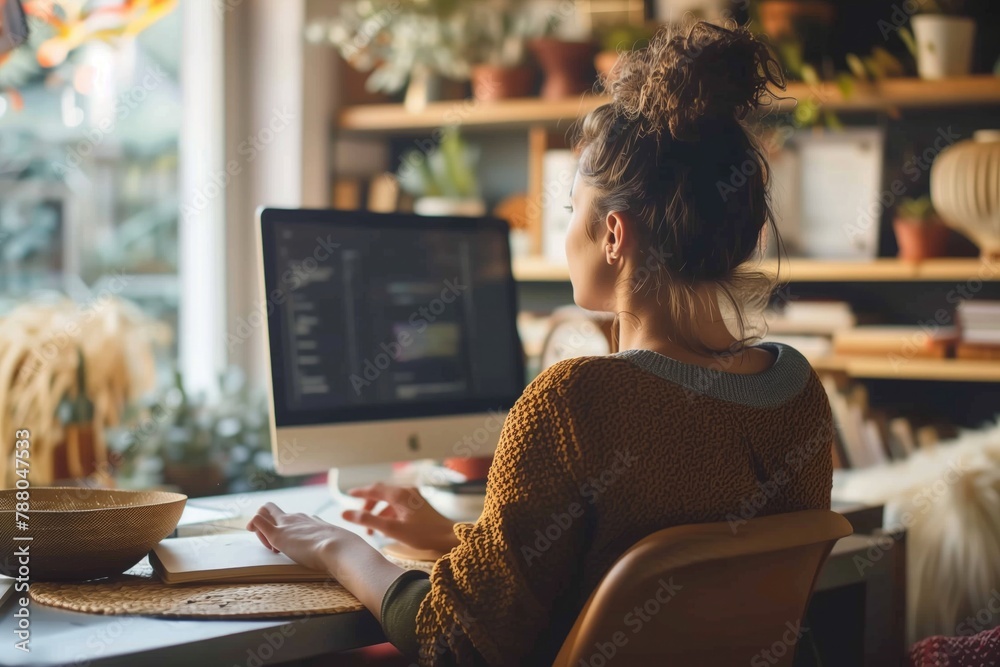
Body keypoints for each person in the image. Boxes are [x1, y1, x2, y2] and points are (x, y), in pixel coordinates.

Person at [247, 19, 834, 667]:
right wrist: (453, 537)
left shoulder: (575, 402)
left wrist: (337, 546)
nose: (566, 239)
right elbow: (612, 564)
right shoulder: (798, 395)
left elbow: (456, 641)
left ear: (613, 234)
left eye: (570, 214)